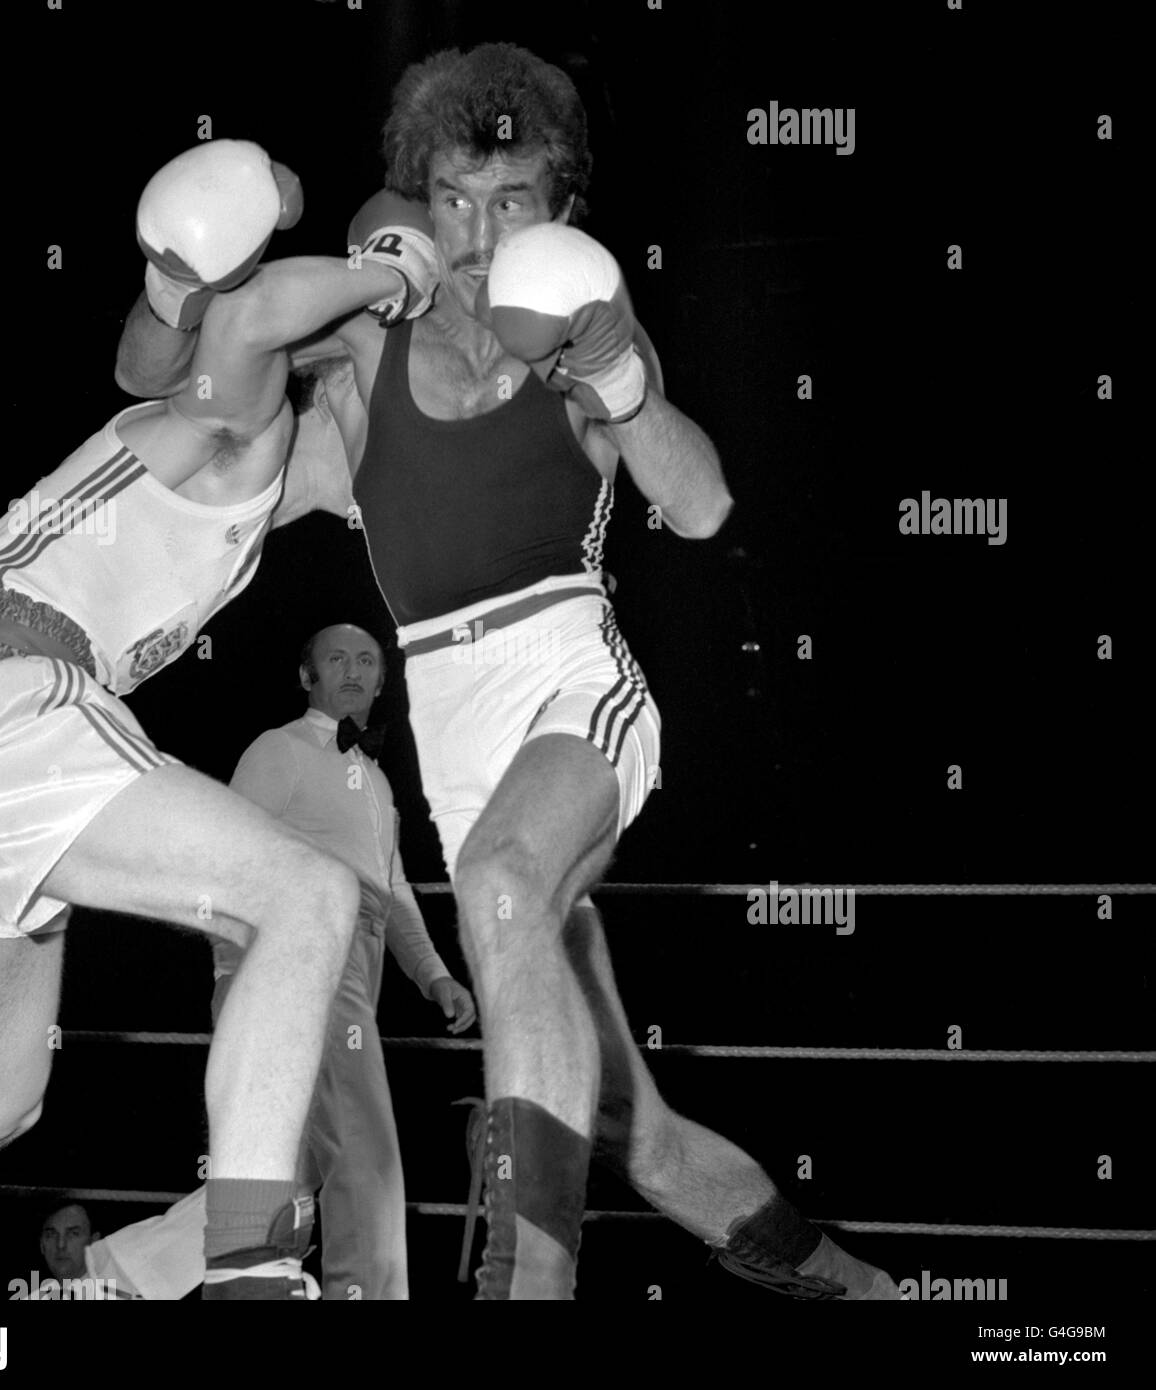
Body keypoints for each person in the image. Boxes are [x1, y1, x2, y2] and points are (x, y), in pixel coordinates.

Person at [114, 44, 898, 1300]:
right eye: (454, 198)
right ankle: (873, 1296)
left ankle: (523, 1284)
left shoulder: (580, 334)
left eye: (510, 200)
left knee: (499, 884)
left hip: (569, 678)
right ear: (420, 199)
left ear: (560, 212)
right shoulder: (367, 342)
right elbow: (169, 389)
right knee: (627, 1130)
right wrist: (172, 283)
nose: (476, 232)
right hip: (454, 728)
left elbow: (696, 505)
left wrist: (618, 373)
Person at [0, 140, 388, 1300]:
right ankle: (251, 1277)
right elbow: (248, 323)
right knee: (308, 896)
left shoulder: (248, 475)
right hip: (4, 705)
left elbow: (341, 453)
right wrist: (389, 277)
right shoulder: (225, 419)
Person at [86, 623, 476, 1300]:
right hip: (299, 963)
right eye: (336, 658)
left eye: (366, 661)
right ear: (307, 676)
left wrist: (434, 973)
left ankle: (120, 1277)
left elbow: (396, 890)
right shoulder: (279, 750)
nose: (352, 670)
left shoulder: (379, 783)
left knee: (279, 1173)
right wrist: (239, 975)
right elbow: (225, 858)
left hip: (351, 973)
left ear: (383, 680)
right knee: (366, 1148)